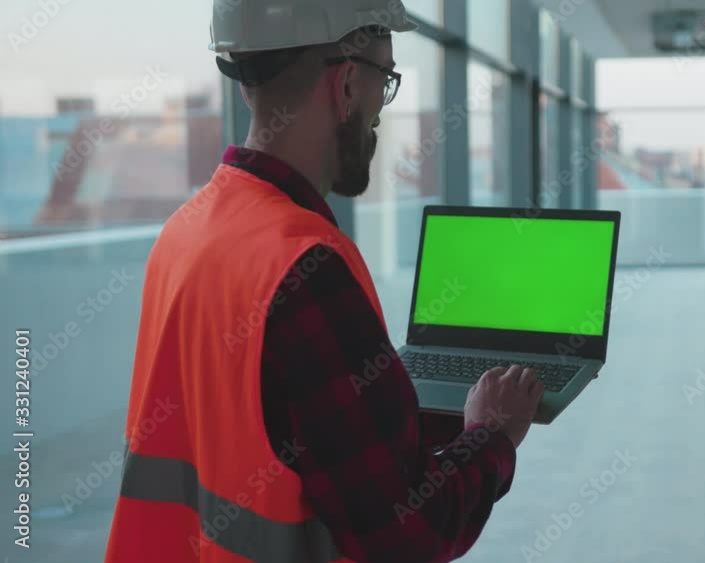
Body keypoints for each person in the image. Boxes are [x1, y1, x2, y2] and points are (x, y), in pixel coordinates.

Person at [104, 1, 544, 561]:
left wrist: (407, 410)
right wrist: (494, 434)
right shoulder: (307, 270)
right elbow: (411, 533)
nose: (381, 111)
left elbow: (270, 429)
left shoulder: (185, 232)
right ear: (346, 85)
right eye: (385, 80)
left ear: (245, 84)